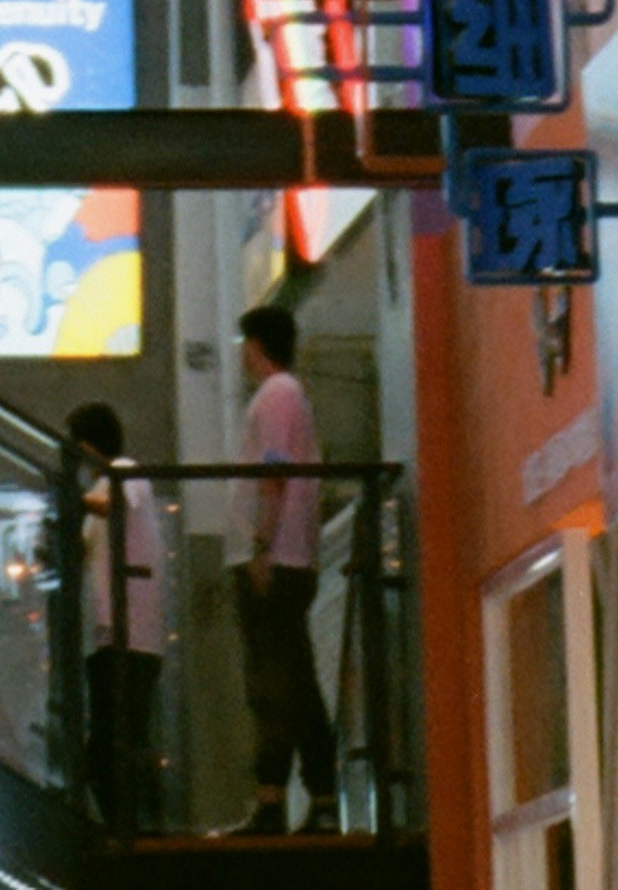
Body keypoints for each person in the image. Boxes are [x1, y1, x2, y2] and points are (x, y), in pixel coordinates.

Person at [227, 302, 336, 836]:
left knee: (275, 680)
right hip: (289, 553)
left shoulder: (276, 394)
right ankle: (314, 796)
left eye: (246, 344)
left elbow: (273, 469)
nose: (243, 356)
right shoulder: (289, 395)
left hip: (277, 556)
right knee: (291, 677)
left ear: (257, 344)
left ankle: (279, 798)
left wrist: (260, 545)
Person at [62, 392, 173, 833]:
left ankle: (136, 825)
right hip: (113, 632)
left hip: (132, 633)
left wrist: (74, 499)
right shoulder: (101, 492)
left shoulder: (126, 473)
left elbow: (116, 504)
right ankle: (127, 824)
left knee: (120, 737)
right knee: (111, 739)